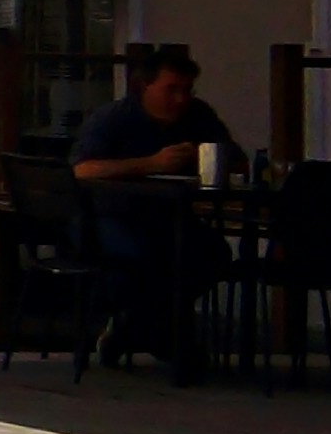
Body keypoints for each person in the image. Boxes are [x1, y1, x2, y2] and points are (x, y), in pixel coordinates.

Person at [67, 48, 238, 380]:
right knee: (152, 256)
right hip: (107, 217)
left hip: (170, 217)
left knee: (213, 253)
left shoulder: (198, 115)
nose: (180, 99)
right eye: (171, 89)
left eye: (187, 90)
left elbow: (235, 158)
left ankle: (134, 328)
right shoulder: (114, 118)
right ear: (144, 86)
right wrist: (150, 163)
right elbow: (82, 169)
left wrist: (205, 159)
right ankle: (170, 340)